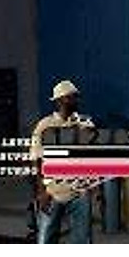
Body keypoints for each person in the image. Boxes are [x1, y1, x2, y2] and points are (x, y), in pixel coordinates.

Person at [29, 79, 96, 244]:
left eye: (75, 97)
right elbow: (37, 160)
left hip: (79, 192)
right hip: (53, 192)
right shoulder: (45, 126)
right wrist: (42, 192)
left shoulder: (83, 124)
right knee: (46, 240)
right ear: (59, 101)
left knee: (83, 241)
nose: (75, 100)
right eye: (70, 97)